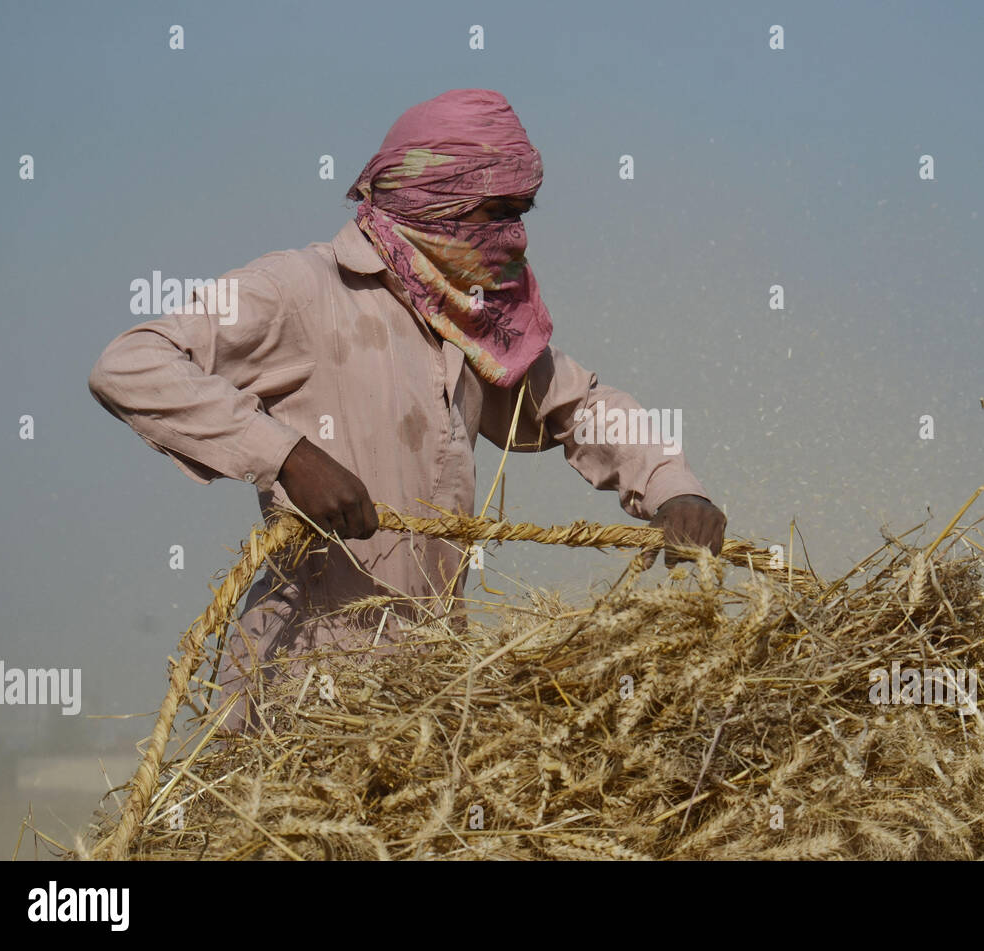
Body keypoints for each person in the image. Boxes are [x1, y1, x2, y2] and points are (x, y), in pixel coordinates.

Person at [87, 88, 725, 731]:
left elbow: (580, 406)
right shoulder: (300, 289)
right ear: (432, 200)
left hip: (430, 684)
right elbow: (131, 365)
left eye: (523, 212)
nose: (516, 237)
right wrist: (286, 456)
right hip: (299, 684)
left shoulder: (471, 317)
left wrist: (672, 488)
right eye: (495, 212)